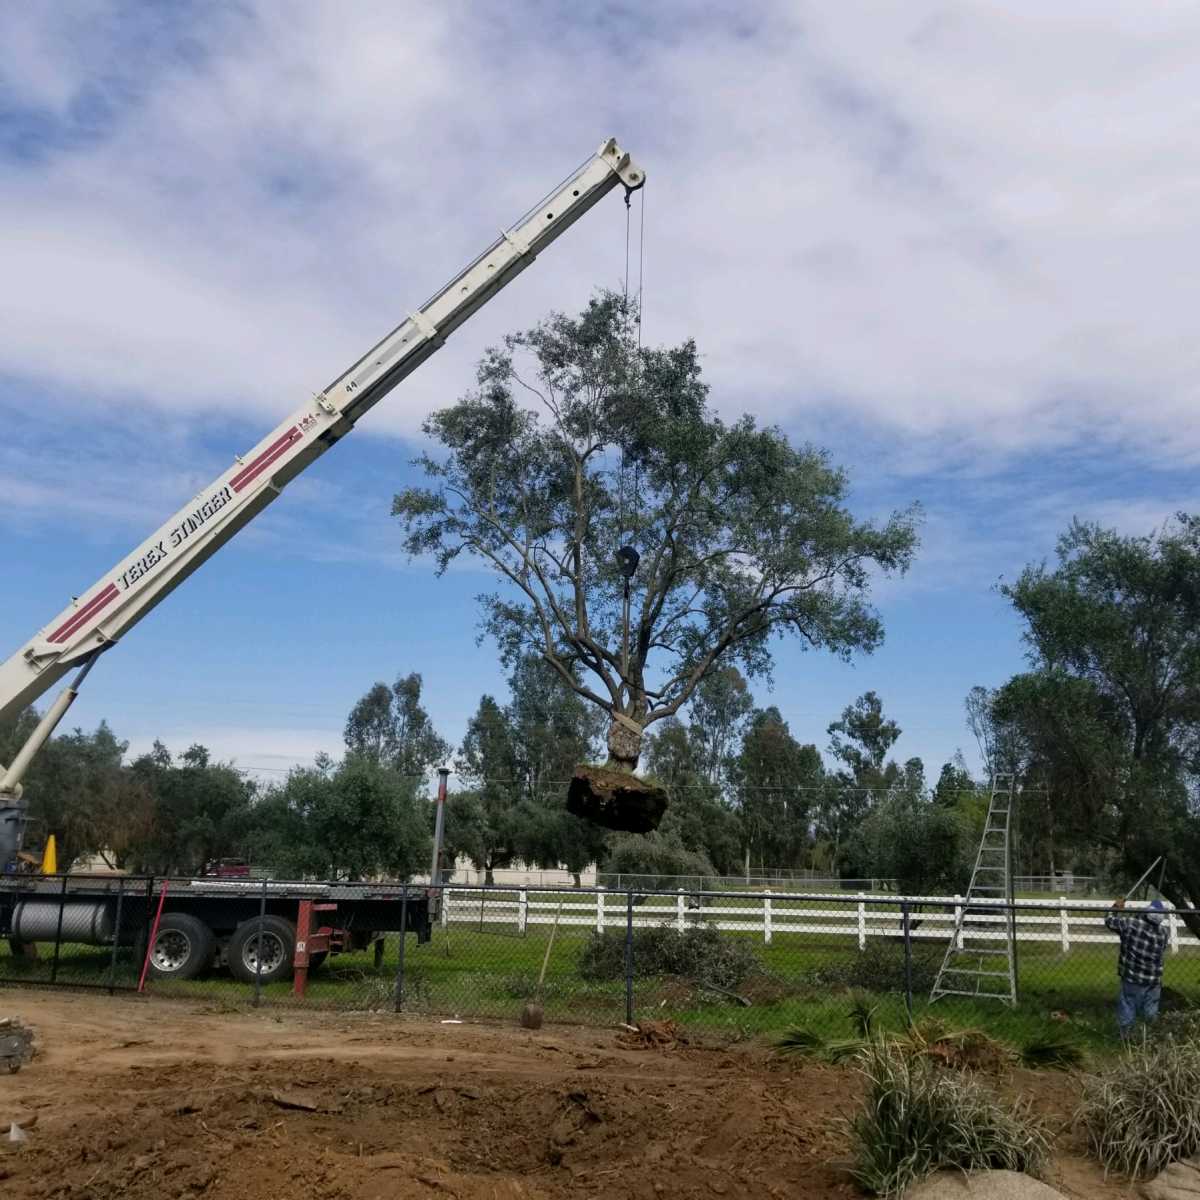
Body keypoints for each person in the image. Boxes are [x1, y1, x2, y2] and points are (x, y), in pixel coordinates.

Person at [1104, 896, 1169, 1038]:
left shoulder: (1131, 924)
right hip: (1154, 980)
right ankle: (1151, 1037)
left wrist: (1115, 908)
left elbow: (1109, 921)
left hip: (1132, 977)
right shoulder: (1164, 933)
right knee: (1151, 1011)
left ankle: (1127, 1038)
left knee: (1128, 1005)